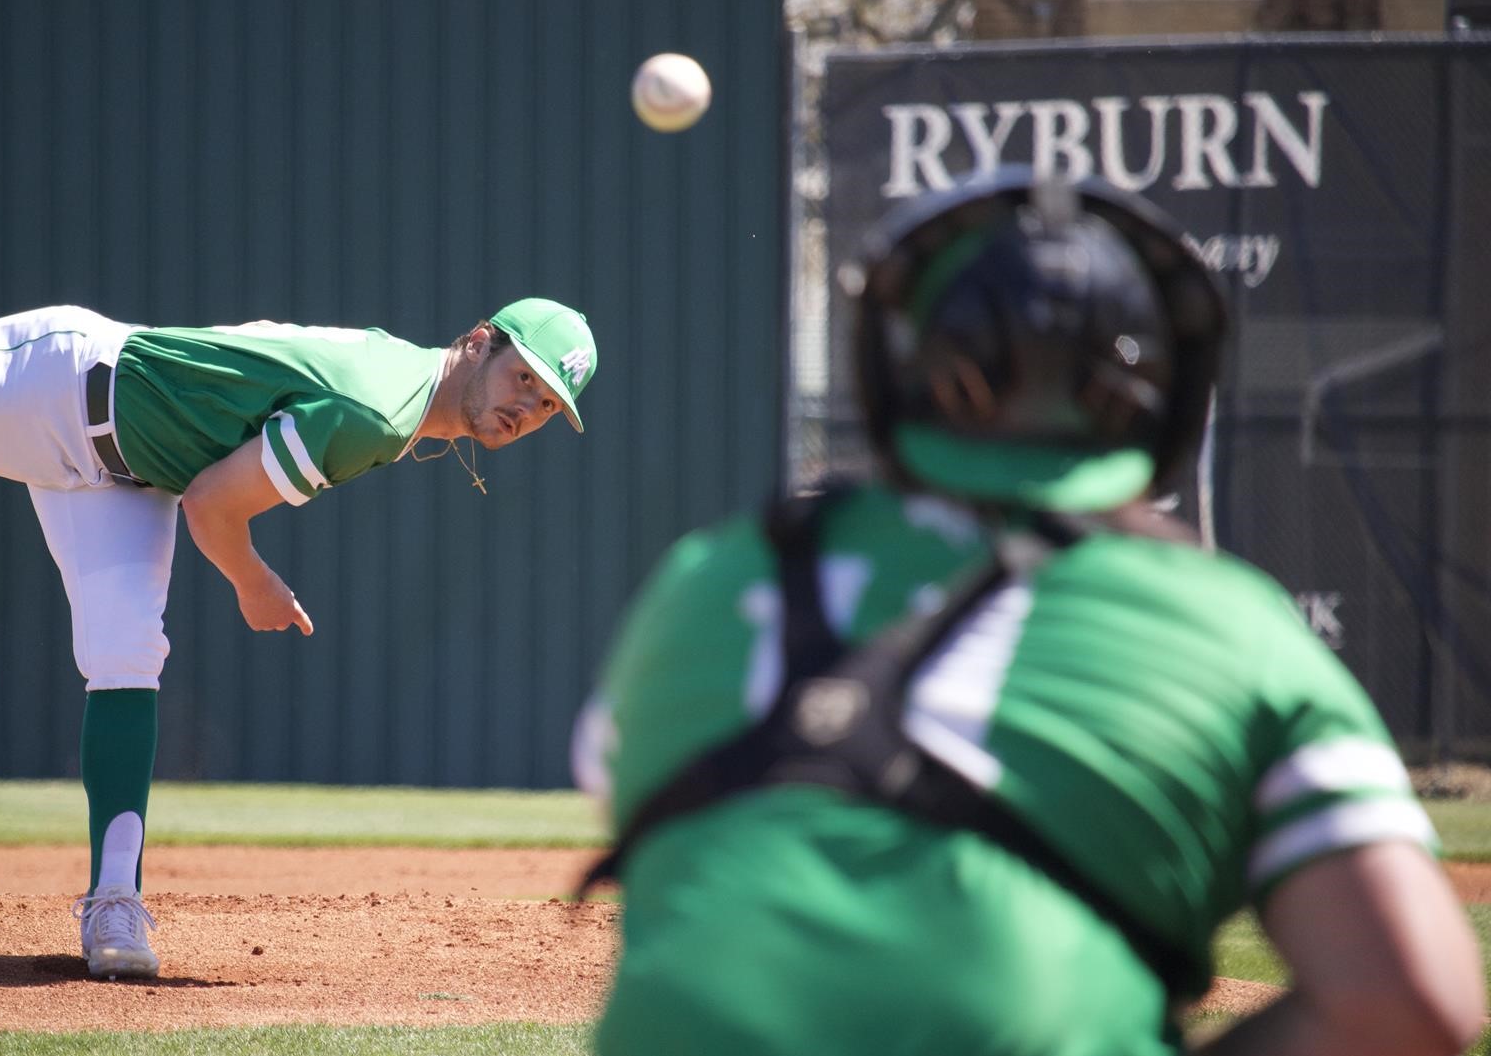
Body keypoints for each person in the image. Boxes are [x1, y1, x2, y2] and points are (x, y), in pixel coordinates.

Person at [0, 75, 600, 981]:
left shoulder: (395, 384)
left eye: (546, 403)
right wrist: (254, 582)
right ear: (478, 339)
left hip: (129, 465)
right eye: (522, 375)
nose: (526, 405)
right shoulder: (381, 410)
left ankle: (113, 902)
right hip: (55, 388)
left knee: (127, 647)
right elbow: (219, 503)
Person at [570, 169, 1482, 1055]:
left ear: (901, 374)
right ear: (1160, 398)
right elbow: (1412, 1001)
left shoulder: (710, 575)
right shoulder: (1229, 622)